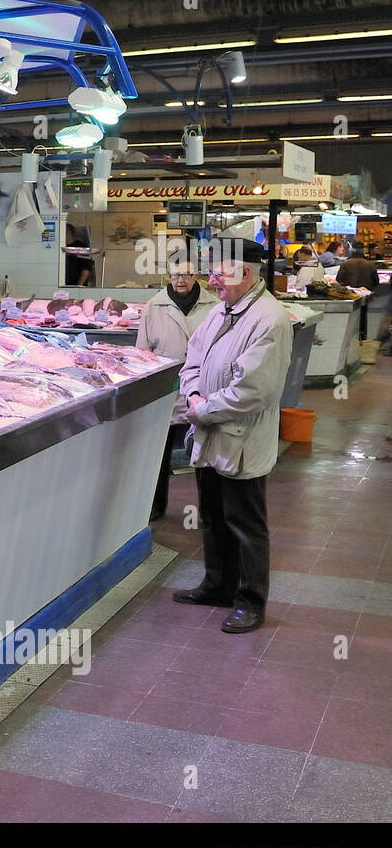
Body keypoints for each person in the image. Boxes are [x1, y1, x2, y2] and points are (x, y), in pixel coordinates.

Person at [175, 240, 291, 634]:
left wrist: (203, 409)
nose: (209, 279)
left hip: (241, 436)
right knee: (213, 516)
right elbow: (193, 358)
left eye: (218, 272)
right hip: (208, 430)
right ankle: (217, 585)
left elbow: (256, 390)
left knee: (245, 522)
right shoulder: (220, 311)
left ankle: (250, 601)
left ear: (245, 273)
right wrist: (192, 394)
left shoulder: (270, 319)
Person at [136, 255, 216, 521]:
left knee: (204, 453)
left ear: (197, 276)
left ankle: (209, 510)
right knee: (159, 453)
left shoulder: (214, 305)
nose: (180, 280)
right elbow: (142, 352)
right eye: (175, 275)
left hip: (202, 388)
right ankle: (155, 506)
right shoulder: (153, 307)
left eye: (187, 274)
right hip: (166, 389)